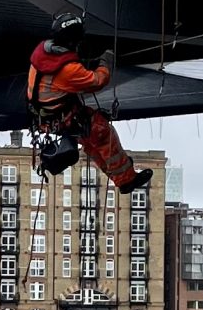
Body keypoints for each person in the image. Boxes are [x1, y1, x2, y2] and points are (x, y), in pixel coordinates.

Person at [27, 12, 153, 192]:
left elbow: (65, 77)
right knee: (102, 135)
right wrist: (104, 62)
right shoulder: (68, 70)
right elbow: (97, 81)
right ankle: (125, 179)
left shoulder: (43, 52)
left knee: (93, 142)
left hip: (50, 117)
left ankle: (121, 175)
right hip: (64, 117)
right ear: (73, 39)